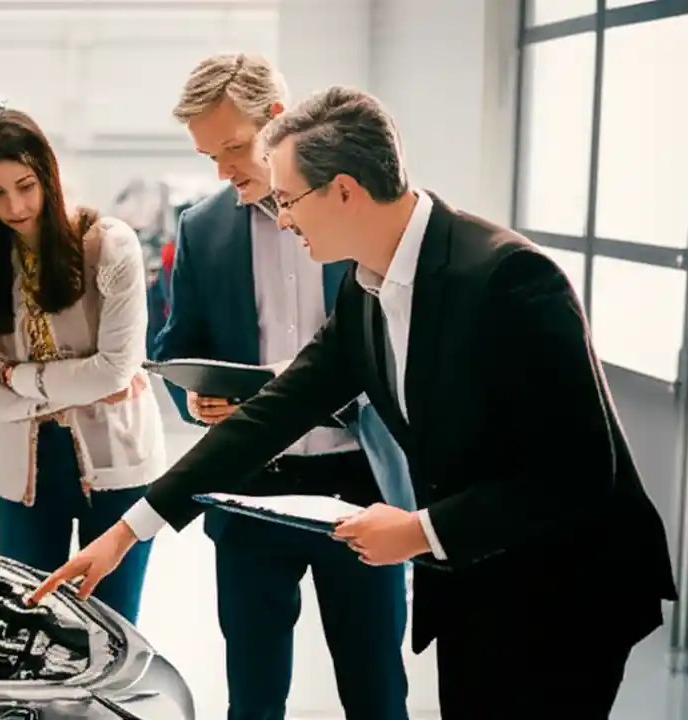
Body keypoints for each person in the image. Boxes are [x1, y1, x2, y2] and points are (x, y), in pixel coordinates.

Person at [31, 87, 678, 718]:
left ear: (344, 190)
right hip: (473, 573)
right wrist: (127, 532)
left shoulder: (509, 279)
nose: (280, 219)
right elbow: (274, 413)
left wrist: (420, 531)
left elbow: (578, 472)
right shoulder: (367, 289)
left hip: (566, 585)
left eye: (287, 200)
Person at [152, 53, 409, 720]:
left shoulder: (360, 209)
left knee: (376, 690)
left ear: (277, 122)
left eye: (233, 148)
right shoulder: (202, 228)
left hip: (361, 487)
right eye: (209, 155)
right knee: (254, 696)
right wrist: (195, 396)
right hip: (250, 491)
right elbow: (179, 343)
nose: (223, 170)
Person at [0, 109, 166, 625]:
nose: (15, 206)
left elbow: (117, 368)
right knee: (27, 627)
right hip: (25, 475)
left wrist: (22, 378)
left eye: (26, 186)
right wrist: (81, 381)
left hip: (119, 465)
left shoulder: (107, 245)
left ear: (47, 175)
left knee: (114, 631)